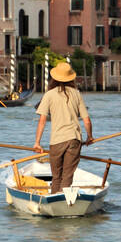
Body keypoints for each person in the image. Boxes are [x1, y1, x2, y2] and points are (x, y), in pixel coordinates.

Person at [33, 60, 94, 193]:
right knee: (67, 176)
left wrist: (37, 143)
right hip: (74, 139)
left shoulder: (49, 95)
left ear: (54, 78)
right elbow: (87, 120)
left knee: (56, 177)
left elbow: (42, 121)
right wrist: (89, 137)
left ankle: (55, 199)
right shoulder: (77, 94)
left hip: (56, 141)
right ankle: (63, 199)